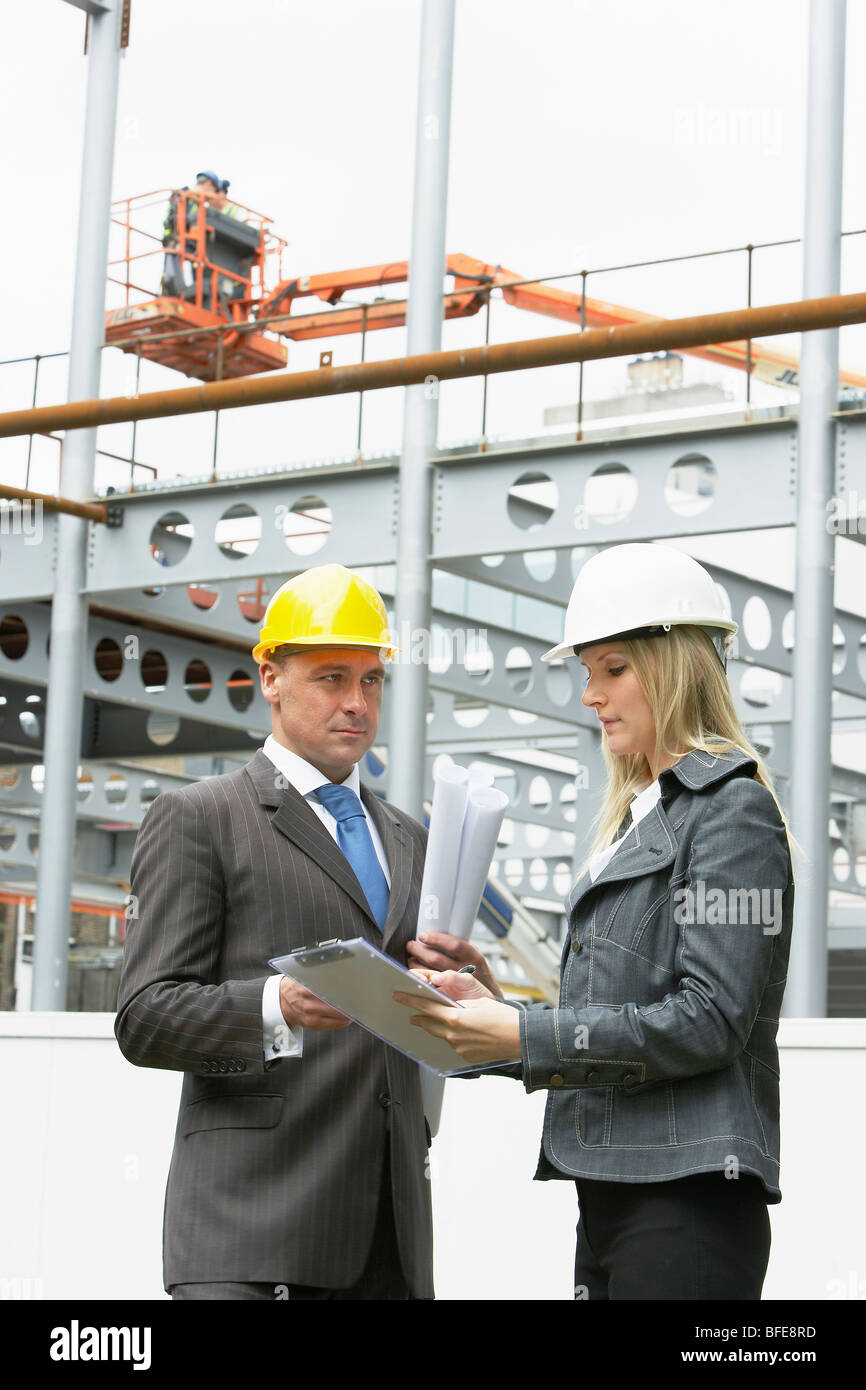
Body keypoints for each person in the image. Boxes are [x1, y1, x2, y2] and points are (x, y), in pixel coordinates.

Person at [397, 542, 796, 1301]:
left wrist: (525, 1035)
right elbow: (621, 1015)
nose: (591, 695)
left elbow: (711, 1020)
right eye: (588, 673)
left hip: (688, 1207)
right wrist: (497, 1011)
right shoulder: (641, 819)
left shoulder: (731, 811)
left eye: (613, 669)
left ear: (675, 665)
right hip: (616, 1196)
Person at [115, 563, 487, 1300]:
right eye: (331, 678)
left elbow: (424, 1035)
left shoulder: (411, 838)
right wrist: (274, 1005)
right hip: (252, 1233)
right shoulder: (202, 819)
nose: (357, 703)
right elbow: (144, 1017)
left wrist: (468, 992)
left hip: (390, 1242)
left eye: (372, 680)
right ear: (271, 678)